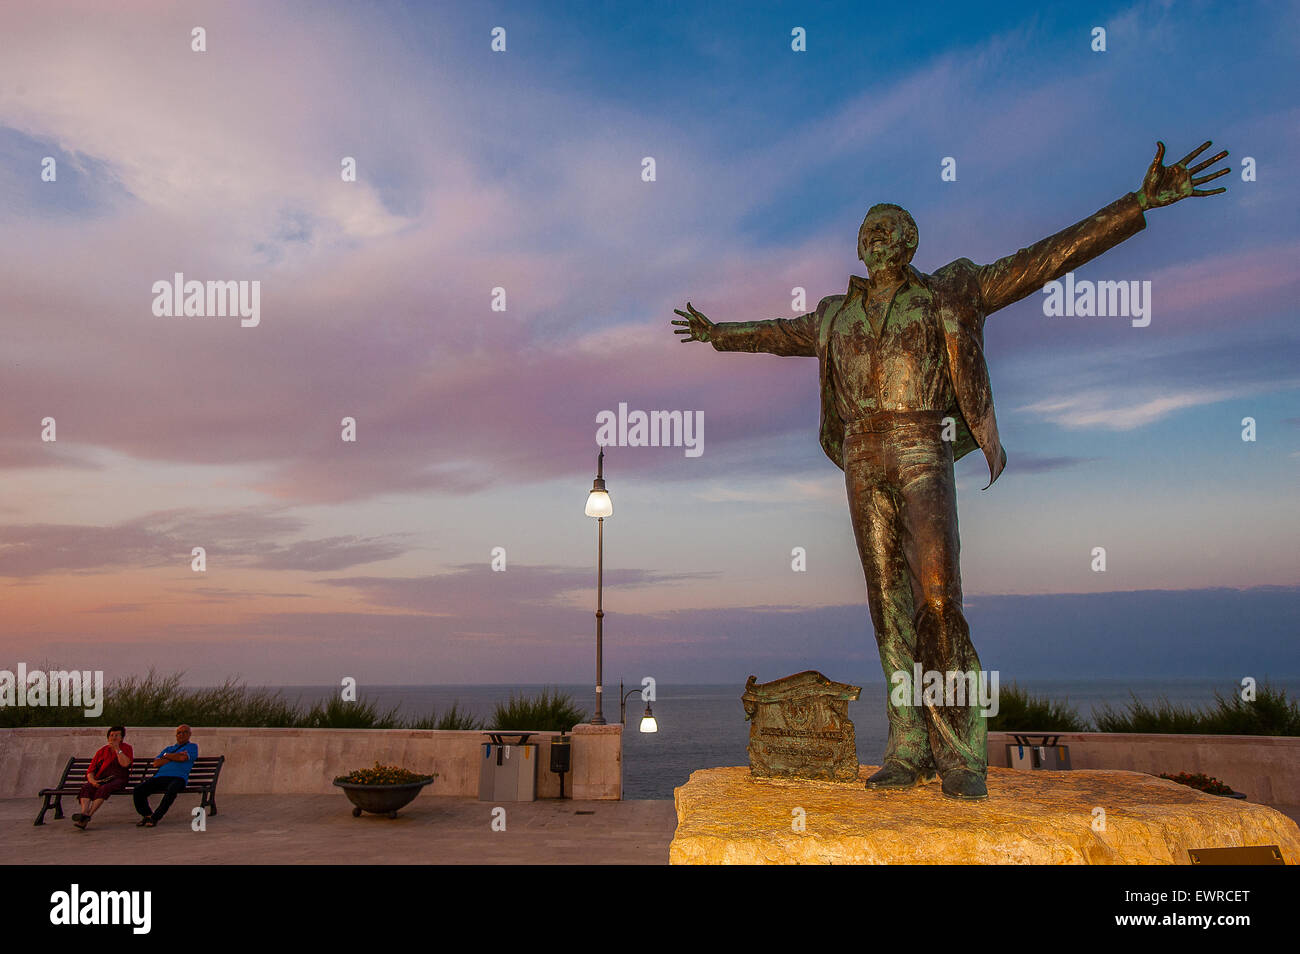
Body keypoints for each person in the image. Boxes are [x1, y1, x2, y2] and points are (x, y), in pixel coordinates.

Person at [673, 140, 1229, 799]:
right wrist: (717, 334)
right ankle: (907, 749)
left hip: (922, 444)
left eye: (886, 228)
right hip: (860, 455)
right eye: (866, 229)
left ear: (907, 243)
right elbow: (776, 333)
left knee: (939, 602)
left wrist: (1135, 205)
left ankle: (961, 755)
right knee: (888, 610)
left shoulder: (954, 289)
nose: (873, 237)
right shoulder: (833, 314)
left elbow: (1045, 260)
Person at [133, 725, 197, 826]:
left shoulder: (192, 747)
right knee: (138, 790)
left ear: (189, 734)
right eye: (179, 733)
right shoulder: (169, 748)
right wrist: (175, 756)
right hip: (160, 777)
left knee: (171, 790)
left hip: (179, 778)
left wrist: (166, 756)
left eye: (185, 732)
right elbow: (156, 764)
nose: (182, 735)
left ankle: (155, 817)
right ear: (176, 735)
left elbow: (182, 758)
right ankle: (147, 815)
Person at [72, 726, 133, 830]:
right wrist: (93, 781)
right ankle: (84, 812)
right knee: (87, 787)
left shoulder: (126, 748)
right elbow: (90, 771)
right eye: (111, 735)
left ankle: (88, 816)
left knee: (104, 788)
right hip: (101, 779)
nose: (113, 738)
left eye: (117, 735)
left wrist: (117, 749)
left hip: (118, 779)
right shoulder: (102, 751)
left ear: (122, 738)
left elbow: (125, 764)